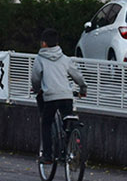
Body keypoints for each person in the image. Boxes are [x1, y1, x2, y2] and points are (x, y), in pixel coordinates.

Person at [29, 28, 87, 160]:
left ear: (43, 43)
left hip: (50, 97)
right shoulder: (65, 59)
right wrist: (83, 89)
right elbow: (77, 75)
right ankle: (70, 147)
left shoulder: (40, 59)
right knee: (68, 120)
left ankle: (48, 155)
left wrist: (37, 89)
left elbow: (35, 78)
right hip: (66, 96)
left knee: (46, 123)